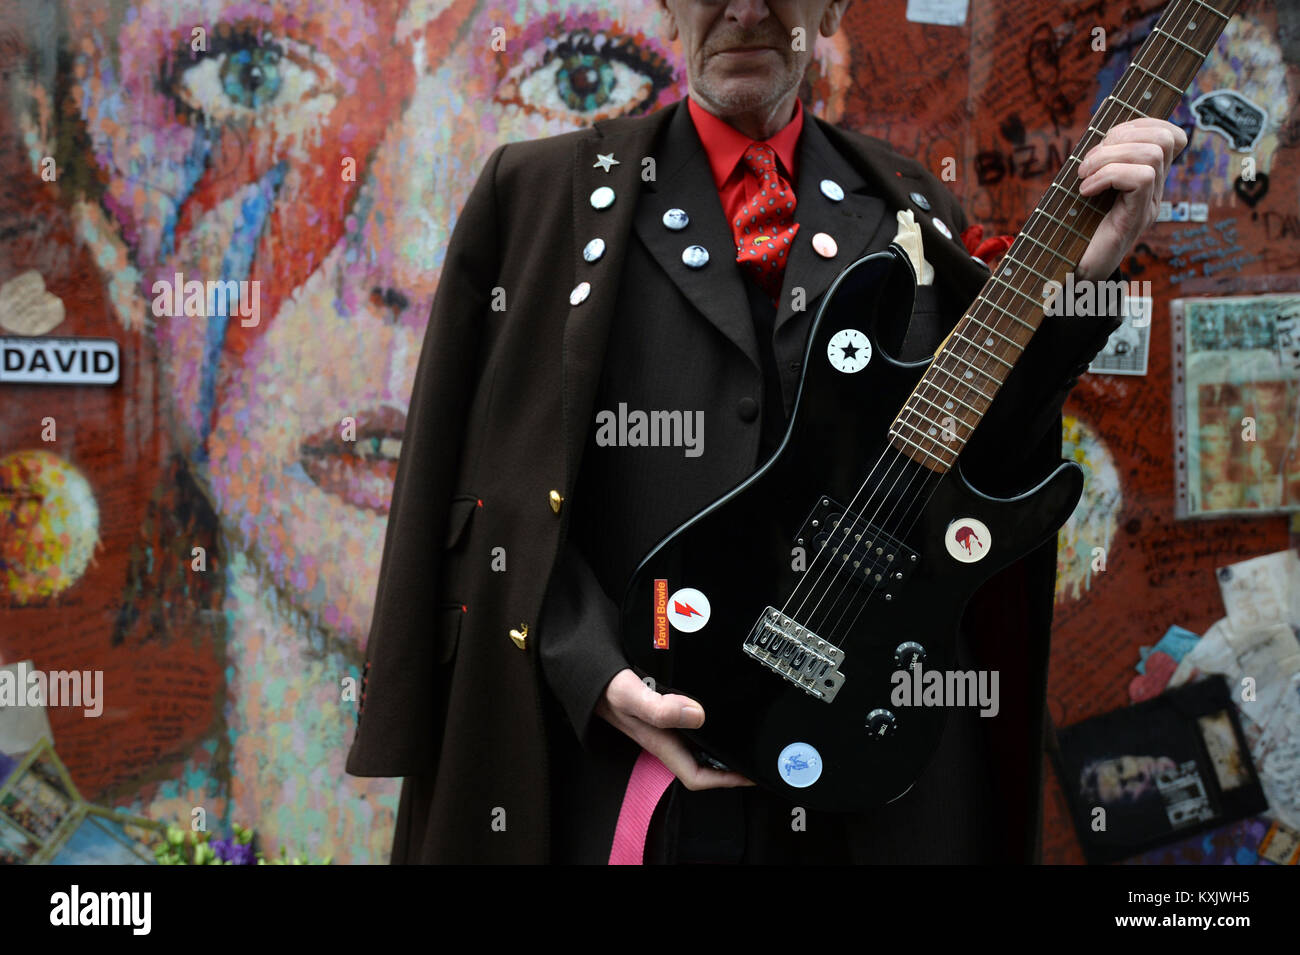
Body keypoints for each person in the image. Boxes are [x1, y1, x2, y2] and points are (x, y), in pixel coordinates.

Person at [346, 0, 1187, 863]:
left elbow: (979, 469)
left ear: (830, 9)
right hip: (608, 778)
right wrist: (592, 667)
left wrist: (1077, 281)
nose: (745, 7)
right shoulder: (536, 199)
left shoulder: (913, 207)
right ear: (667, 7)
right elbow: (486, 494)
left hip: (863, 794)